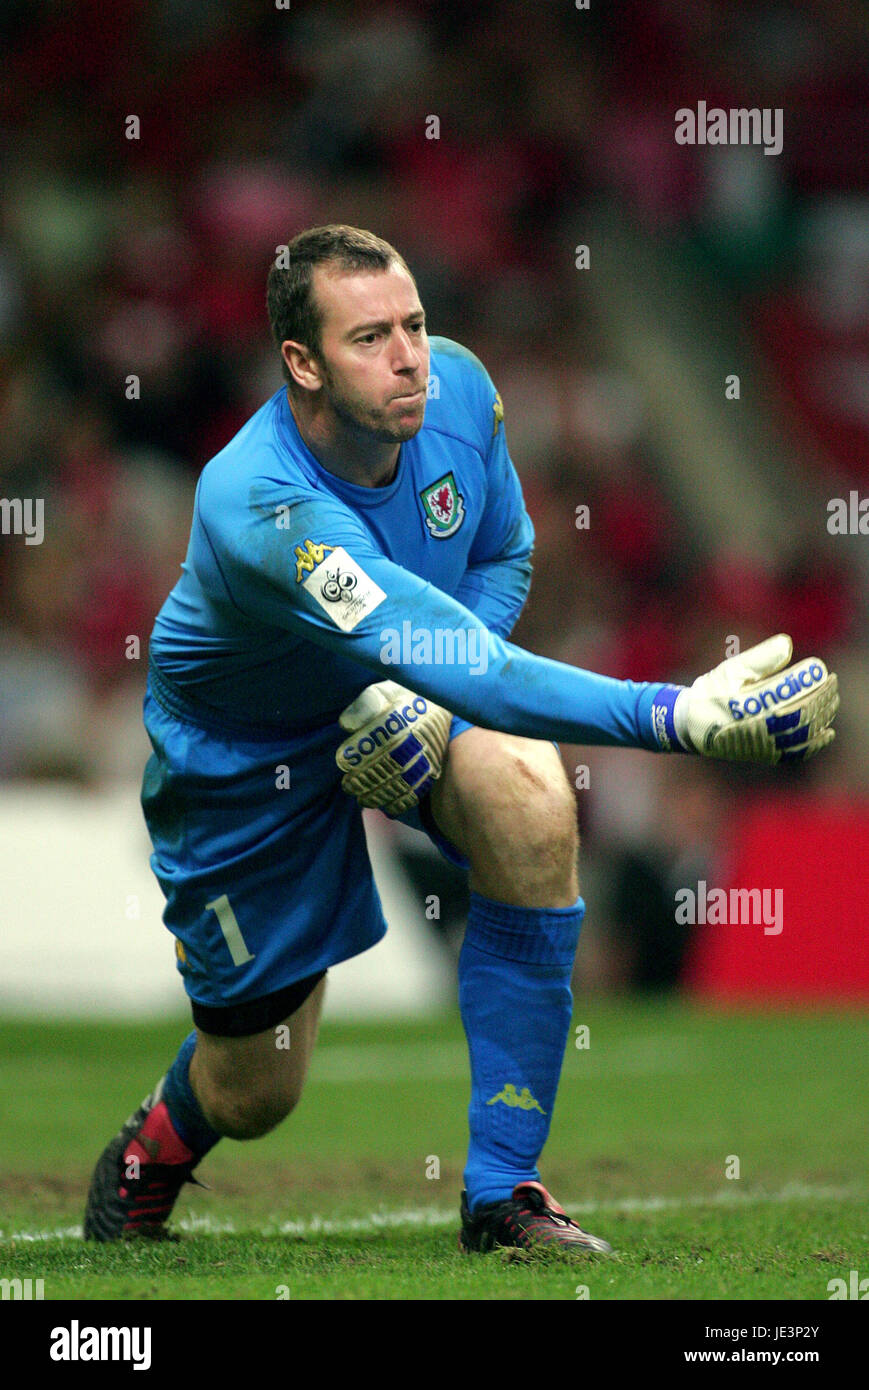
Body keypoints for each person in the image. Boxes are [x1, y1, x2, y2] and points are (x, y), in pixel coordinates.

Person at [84, 225, 838, 1255]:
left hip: (407, 698)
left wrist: (422, 702)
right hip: (242, 764)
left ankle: (500, 1192)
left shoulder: (461, 394)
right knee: (259, 1086)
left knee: (530, 801)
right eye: (368, 338)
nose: (408, 357)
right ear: (299, 362)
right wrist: (674, 714)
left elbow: (502, 556)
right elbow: (463, 656)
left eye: (414, 324)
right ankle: (152, 1149)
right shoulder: (258, 500)